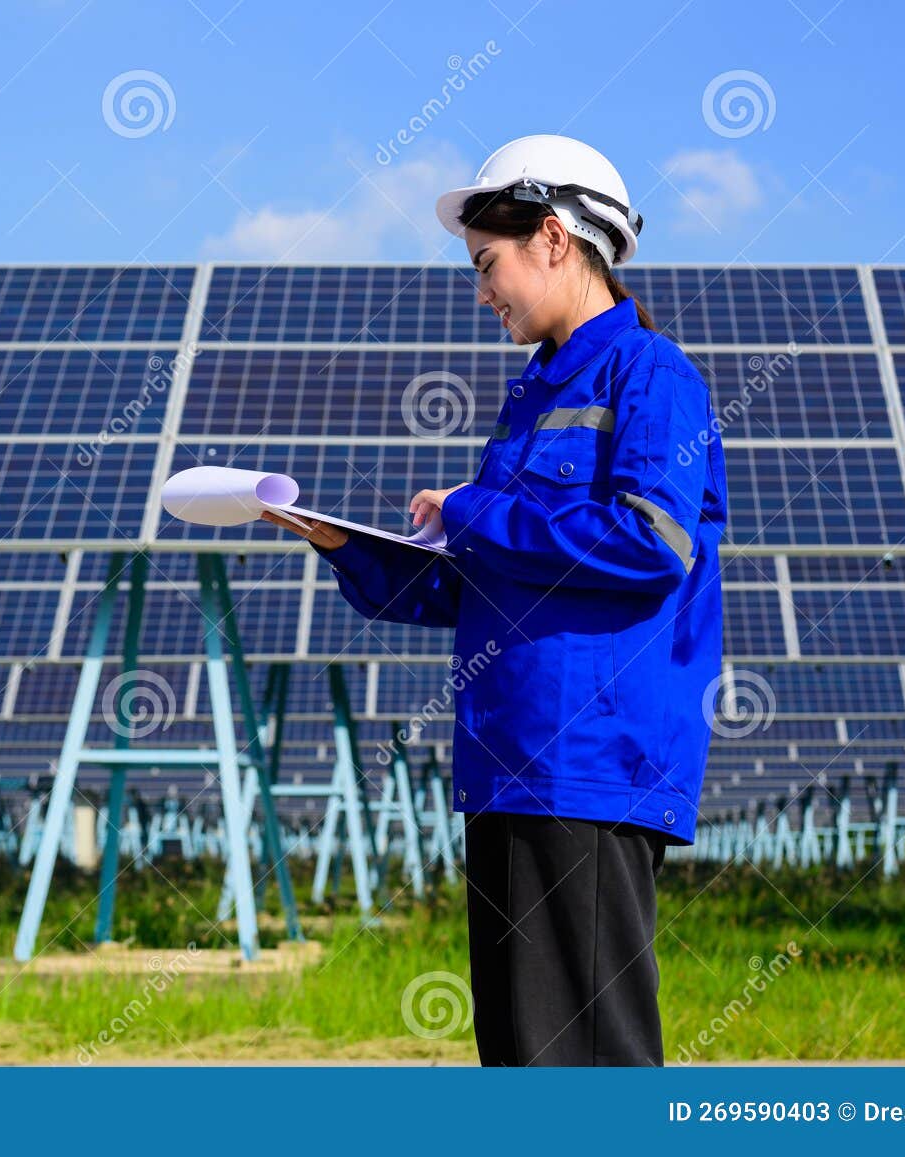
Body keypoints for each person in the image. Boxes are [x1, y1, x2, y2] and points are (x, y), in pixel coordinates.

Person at [260, 135, 728, 1066]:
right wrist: (348, 544)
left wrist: (476, 509)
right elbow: (493, 585)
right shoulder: (531, 399)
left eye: (489, 265)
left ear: (554, 238)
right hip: (510, 763)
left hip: (588, 764)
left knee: (585, 1060)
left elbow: (654, 542)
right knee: (521, 1056)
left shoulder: (651, 376)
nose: (483, 292)